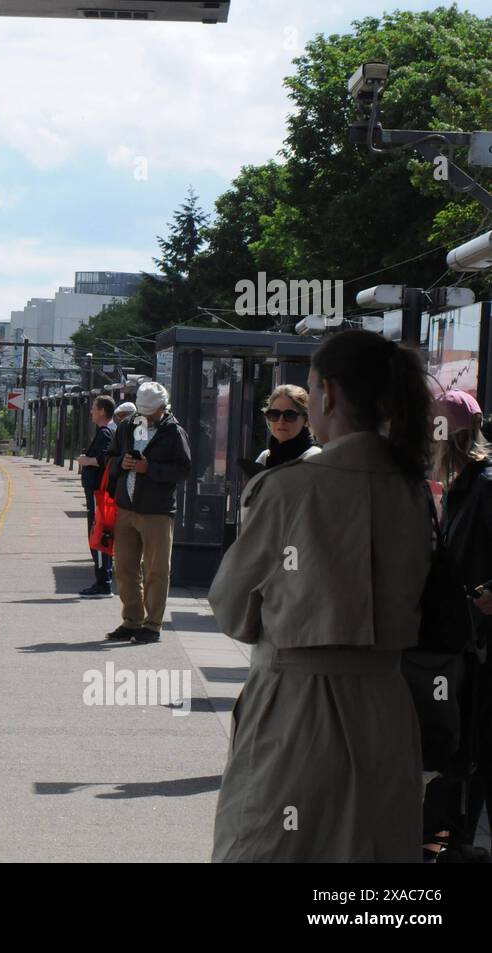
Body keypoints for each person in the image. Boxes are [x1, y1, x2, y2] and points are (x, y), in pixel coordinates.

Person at [209, 330, 433, 862]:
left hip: (296, 708)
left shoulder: (284, 489)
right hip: (387, 707)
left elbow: (234, 610)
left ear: (327, 394)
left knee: (269, 844)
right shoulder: (412, 490)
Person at [422, 389, 492, 858]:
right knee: (464, 748)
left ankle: (460, 843)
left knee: (476, 750)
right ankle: (454, 841)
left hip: (481, 644)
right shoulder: (465, 485)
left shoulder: (484, 486)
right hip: (465, 642)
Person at [103, 381, 191, 644]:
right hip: (126, 507)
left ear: (163, 408)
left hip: (157, 512)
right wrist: (122, 462)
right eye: (142, 411)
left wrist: (149, 469)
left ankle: (153, 625)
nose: (145, 416)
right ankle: (131, 620)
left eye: (150, 412)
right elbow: (111, 458)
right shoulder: (127, 426)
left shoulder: (174, 433)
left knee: (156, 570)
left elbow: (183, 470)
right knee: (125, 569)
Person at [77, 396, 117, 597]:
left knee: (98, 534)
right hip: (99, 493)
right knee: (100, 534)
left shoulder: (106, 432)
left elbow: (105, 459)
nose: (91, 411)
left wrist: (86, 460)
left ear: (102, 411)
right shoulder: (110, 430)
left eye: (93, 408)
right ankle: (103, 580)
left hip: (98, 494)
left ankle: (103, 583)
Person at [254, 385, 321, 468]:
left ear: (306, 419)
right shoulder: (264, 458)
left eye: (290, 415)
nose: (281, 421)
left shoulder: (315, 458)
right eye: (274, 414)